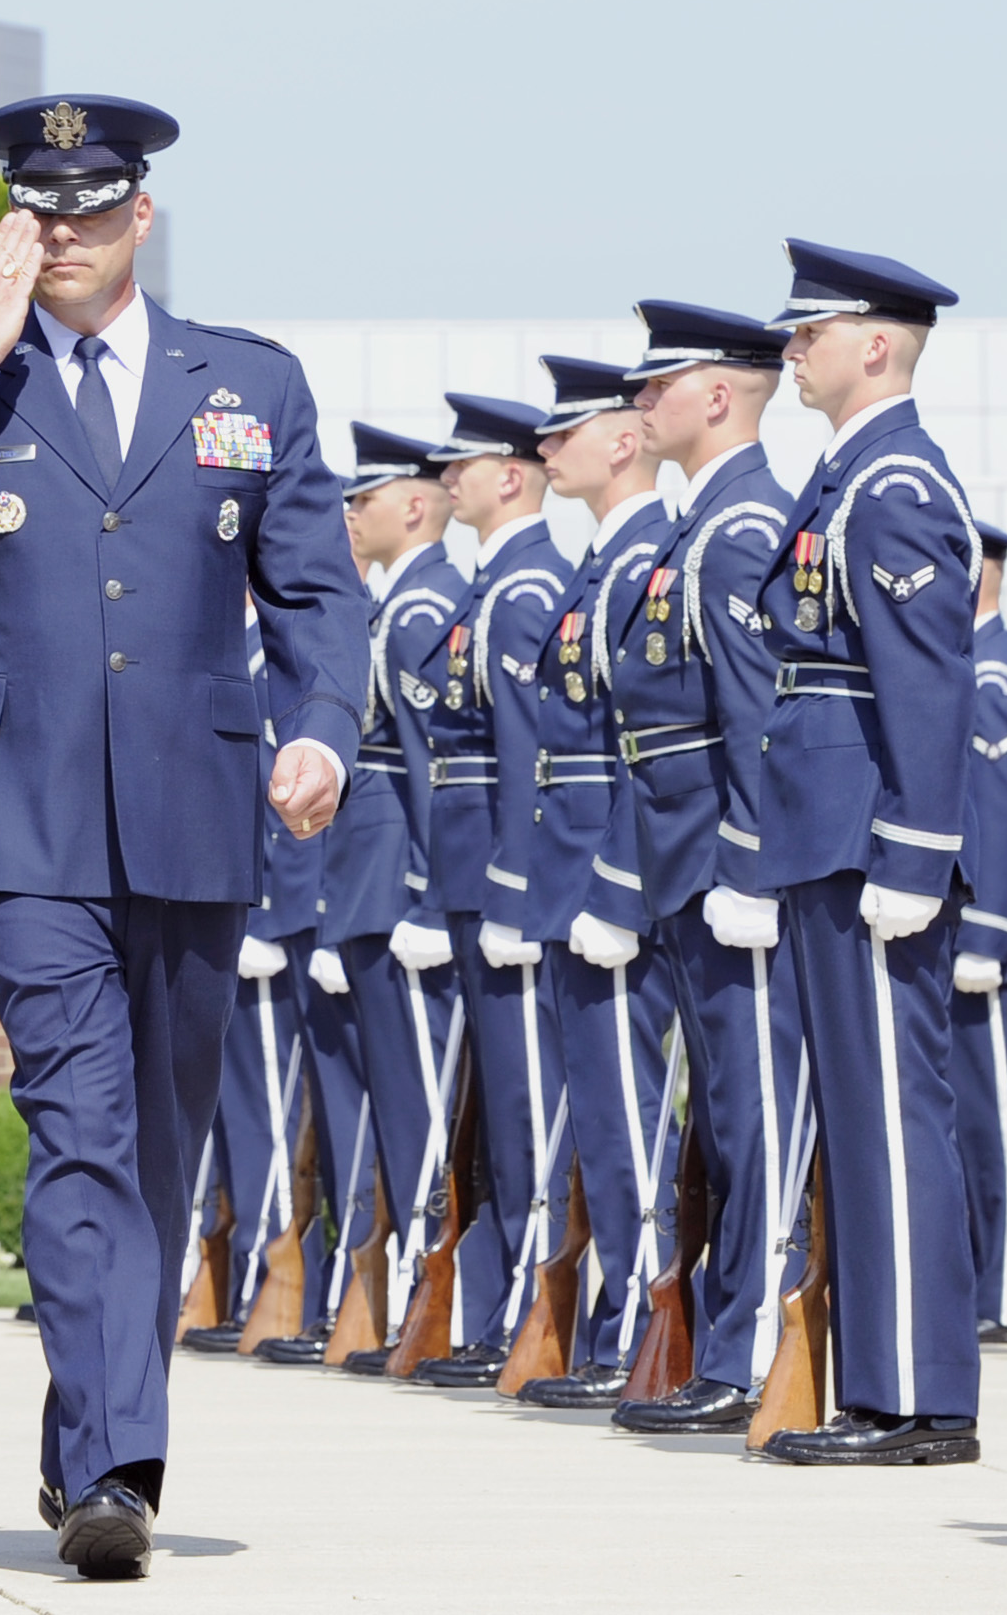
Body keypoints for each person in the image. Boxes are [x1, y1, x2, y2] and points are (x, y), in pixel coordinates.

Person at [0, 95, 363, 1581]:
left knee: (157, 1155)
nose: (55, 233)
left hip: (194, 807)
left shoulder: (243, 382)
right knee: (81, 1128)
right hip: (23, 816)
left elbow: (316, 591)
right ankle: (119, 1470)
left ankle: (86, 1454)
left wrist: (321, 723)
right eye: (33, 209)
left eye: (85, 208)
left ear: (139, 217)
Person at [751, 238, 983, 1466]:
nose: (791, 351)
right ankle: (881, 1381)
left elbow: (926, 682)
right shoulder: (844, 477)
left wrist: (915, 848)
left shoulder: (893, 484)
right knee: (859, 1111)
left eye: (809, 332)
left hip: (865, 838)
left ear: (874, 345)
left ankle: (918, 1397)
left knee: (894, 1113)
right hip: (823, 829)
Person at [589, 303, 811, 1439]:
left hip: (729, 875)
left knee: (756, 1113)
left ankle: (759, 1346)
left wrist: (749, 869)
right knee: (722, 1118)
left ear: (715, 393)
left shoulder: (738, 528)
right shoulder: (700, 524)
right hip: (682, 867)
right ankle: (728, 1338)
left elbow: (758, 719)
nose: (638, 406)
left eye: (654, 385)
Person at [511, 350, 686, 1410]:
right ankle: (625, 1314)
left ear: (621, 438)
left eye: (561, 433)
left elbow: (648, 748)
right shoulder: (597, 564)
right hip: (571, 878)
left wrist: (616, 887)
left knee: (634, 1115)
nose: (542, 450)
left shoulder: (641, 562)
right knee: (601, 1119)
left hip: (611, 882)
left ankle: (648, 1319)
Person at [411, 392, 574, 1385]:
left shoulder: (521, 588)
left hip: (504, 884)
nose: (447, 482)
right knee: (498, 1108)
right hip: (473, 880)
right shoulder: (495, 585)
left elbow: (527, 754)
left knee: (525, 1104)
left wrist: (514, 886)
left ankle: (527, 1306)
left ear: (508, 475)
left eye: (461, 466)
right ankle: (504, 1302)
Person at [319, 423, 469, 1377]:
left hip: (398, 892)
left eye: (360, 500)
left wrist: (420, 894)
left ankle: (432, 1291)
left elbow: (427, 771)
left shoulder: (422, 609)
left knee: (421, 1108)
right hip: (366, 890)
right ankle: (414, 1290)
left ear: (411, 505)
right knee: (398, 1104)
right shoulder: (393, 607)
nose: (346, 516)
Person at [194, 598, 326, 1354]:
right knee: (241, 1111)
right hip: (241, 908)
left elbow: (288, 791)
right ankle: (244, 1275)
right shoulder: (224, 640)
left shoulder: (269, 649)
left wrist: (270, 910)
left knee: (273, 1116)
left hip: (274, 913)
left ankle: (271, 1279)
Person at [948, 521, 1007, 1344]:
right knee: (963, 1119)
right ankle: (982, 1279)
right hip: (957, 927)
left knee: (992, 1119)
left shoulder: (992, 670)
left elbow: (1000, 814)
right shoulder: (965, 666)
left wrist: (987, 928)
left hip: (986, 936)